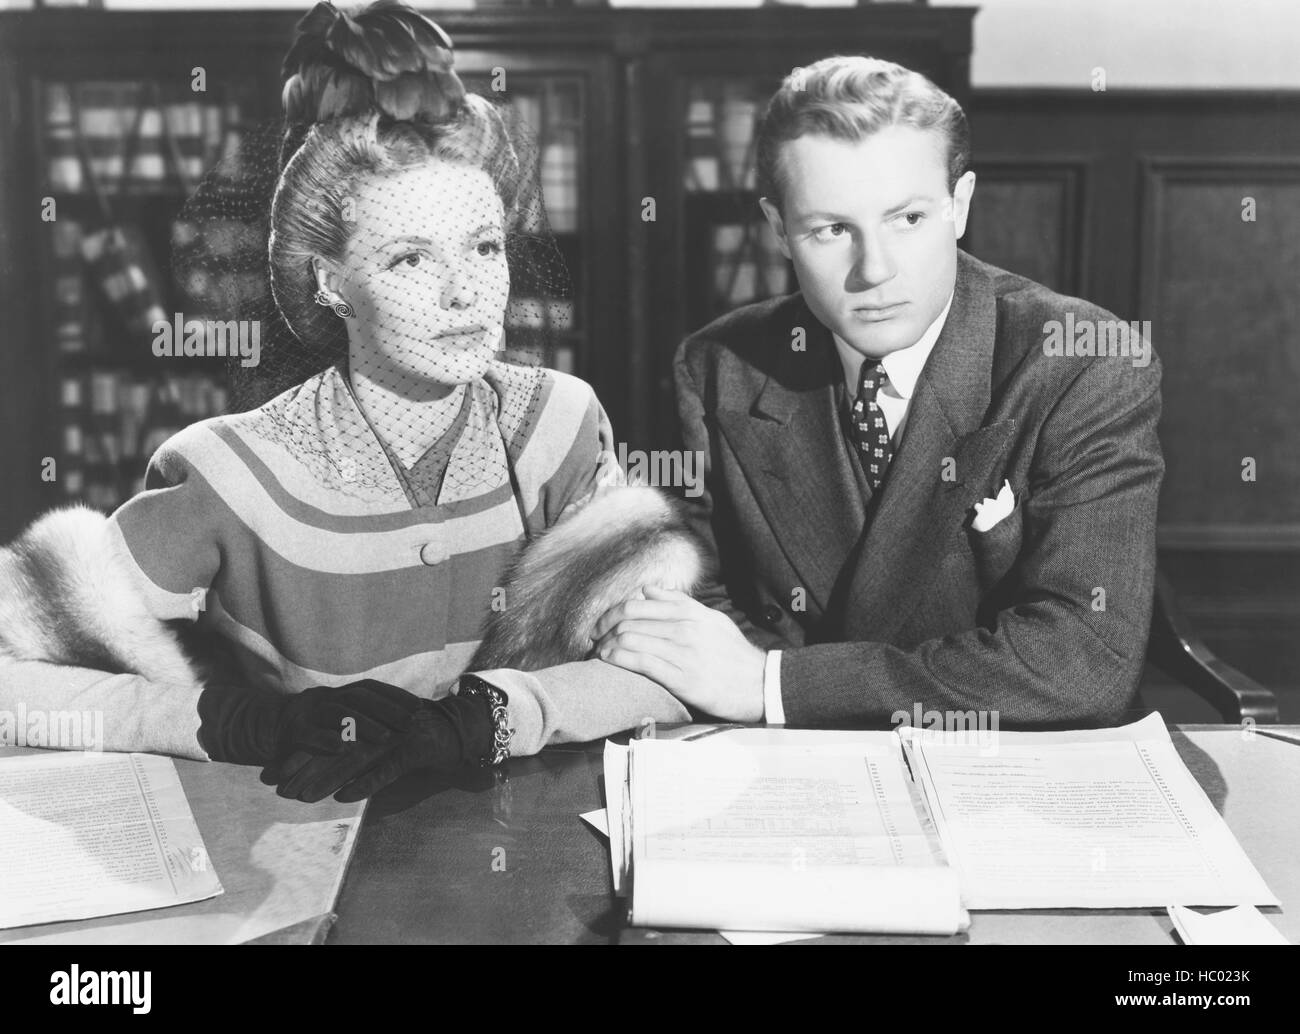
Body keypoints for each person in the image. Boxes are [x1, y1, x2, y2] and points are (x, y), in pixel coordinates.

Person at [0, 1, 691, 801]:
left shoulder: (557, 424)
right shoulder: (233, 471)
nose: (465, 294)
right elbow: (14, 687)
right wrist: (231, 723)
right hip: (311, 854)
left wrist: (492, 716)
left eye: (486, 246)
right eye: (407, 260)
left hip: (524, 857)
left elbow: (668, 665)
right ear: (330, 283)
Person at [593, 56, 1164, 730]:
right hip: (785, 771)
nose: (876, 270)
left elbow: (1081, 658)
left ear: (960, 205)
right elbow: (688, 609)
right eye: (831, 230)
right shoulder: (718, 367)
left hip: (1013, 776)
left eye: (908, 219)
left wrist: (778, 685)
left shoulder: (1083, 362)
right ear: (778, 229)